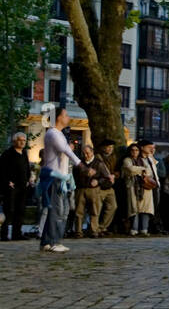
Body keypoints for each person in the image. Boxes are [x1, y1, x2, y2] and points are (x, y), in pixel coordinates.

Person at [37, 107, 80, 253]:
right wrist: (81, 165)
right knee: (58, 211)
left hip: (59, 177)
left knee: (55, 210)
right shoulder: (53, 134)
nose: (68, 117)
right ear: (59, 118)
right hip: (54, 177)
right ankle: (55, 242)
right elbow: (66, 151)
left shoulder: (58, 134)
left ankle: (46, 242)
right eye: (66, 115)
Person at [120, 143, 156, 236]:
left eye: (136, 150)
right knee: (134, 208)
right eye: (132, 150)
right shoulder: (127, 160)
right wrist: (142, 169)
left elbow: (150, 172)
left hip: (145, 187)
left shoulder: (143, 160)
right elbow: (130, 169)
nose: (135, 152)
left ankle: (144, 229)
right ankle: (134, 229)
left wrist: (140, 170)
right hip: (132, 186)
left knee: (145, 209)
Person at [0, 132, 29, 241]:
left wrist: (28, 178)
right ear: (14, 141)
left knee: (20, 210)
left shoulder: (24, 153)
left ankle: (17, 234)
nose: (22, 142)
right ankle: (4, 234)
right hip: (11, 188)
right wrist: (7, 181)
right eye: (20, 140)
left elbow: (27, 168)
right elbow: (2, 169)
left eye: (24, 140)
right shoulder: (8, 154)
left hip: (23, 186)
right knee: (9, 211)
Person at [71, 143, 103, 238]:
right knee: (79, 212)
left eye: (88, 153)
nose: (86, 155)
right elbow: (75, 175)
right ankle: (78, 231)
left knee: (94, 211)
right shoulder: (79, 163)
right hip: (81, 189)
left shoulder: (99, 163)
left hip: (93, 190)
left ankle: (93, 230)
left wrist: (98, 181)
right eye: (84, 153)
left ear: (92, 152)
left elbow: (105, 177)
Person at [94, 140, 118, 237]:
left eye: (111, 147)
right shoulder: (97, 158)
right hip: (100, 186)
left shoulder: (113, 158)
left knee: (113, 206)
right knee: (97, 209)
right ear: (103, 148)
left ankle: (102, 227)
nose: (110, 149)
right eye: (108, 147)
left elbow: (116, 171)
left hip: (110, 186)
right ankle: (95, 229)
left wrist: (115, 174)